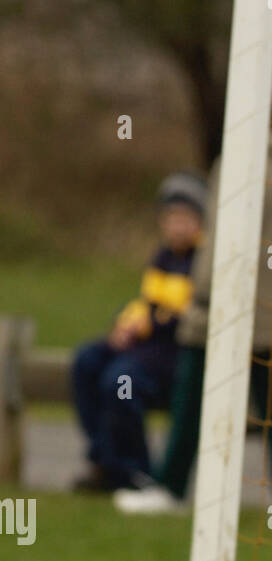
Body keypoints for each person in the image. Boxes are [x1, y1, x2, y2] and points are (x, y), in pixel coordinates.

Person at [114, 76, 272, 522]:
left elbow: (222, 240)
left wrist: (201, 296)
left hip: (227, 305)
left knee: (191, 399)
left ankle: (169, 487)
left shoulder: (240, 160)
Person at [70, 172, 207, 492]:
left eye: (185, 218)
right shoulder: (162, 257)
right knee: (87, 360)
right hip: (145, 346)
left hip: (174, 353)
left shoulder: (202, 261)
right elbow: (148, 302)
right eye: (171, 217)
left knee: (120, 381)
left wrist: (146, 324)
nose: (177, 225)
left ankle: (137, 471)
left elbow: (184, 315)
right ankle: (106, 459)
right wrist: (124, 325)